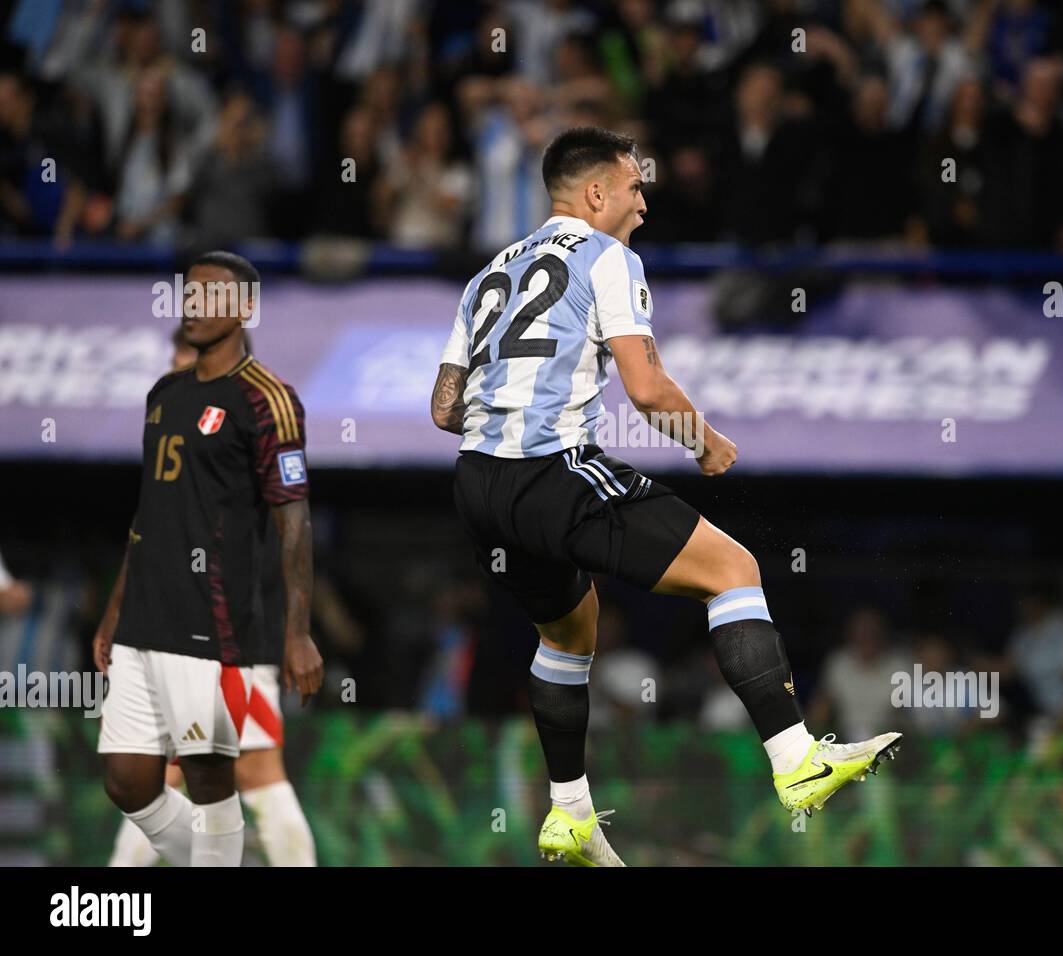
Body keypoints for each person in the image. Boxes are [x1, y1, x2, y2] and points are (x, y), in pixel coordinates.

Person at [431, 127, 901, 867]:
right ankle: (796, 760)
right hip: (550, 468)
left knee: (567, 635)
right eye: (633, 187)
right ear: (594, 194)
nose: (644, 203)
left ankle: (568, 815)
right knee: (734, 569)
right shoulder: (608, 258)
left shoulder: (487, 273)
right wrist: (705, 442)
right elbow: (646, 390)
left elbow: (443, 408)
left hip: (477, 484)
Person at [94, 251, 322, 867]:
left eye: (212, 296)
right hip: (143, 618)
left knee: (211, 779)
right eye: (187, 295)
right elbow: (148, 514)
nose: (194, 307)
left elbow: (294, 519)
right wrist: (114, 611)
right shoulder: (163, 394)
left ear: (246, 308)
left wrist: (297, 632)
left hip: (211, 624)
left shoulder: (268, 398)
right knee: (127, 782)